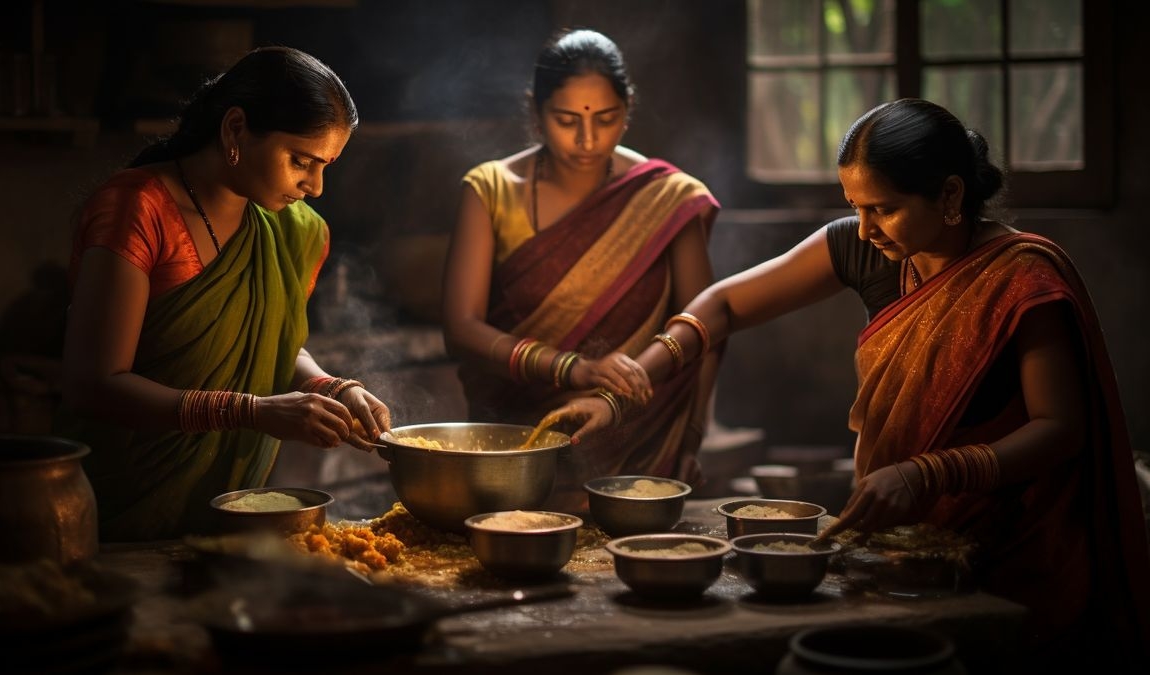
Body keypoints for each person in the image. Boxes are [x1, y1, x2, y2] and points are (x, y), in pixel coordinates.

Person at [550, 98, 1150, 667]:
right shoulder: (869, 250)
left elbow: (1060, 428)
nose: (864, 229)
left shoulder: (1022, 281)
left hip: (1011, 553)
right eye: (855, 207)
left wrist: (928, 473)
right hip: (898, 547)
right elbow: (724, 306)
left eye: (883, 209)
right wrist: (622, 389)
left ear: (949, 194)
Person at [55, 46, 391, 542]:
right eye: (301, 160)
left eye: (326, 166)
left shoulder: (295, 229)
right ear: (235, 129)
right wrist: (251, 411)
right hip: (119, 507)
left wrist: (332, 388)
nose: (316, 186)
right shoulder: (139, 210)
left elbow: (276, 345)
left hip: (228, 515)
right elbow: (93, 384)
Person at [441, 28, 721, 512]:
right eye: (566, 120)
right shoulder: (492, 190)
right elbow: (461, 329)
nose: (588, 140)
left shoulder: (668, 199)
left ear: (628, 108)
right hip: (517, 447)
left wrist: (693, 437)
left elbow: (705, 328)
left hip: (641, 447)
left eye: (606, 119)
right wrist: (571, 367)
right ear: (535, 112)